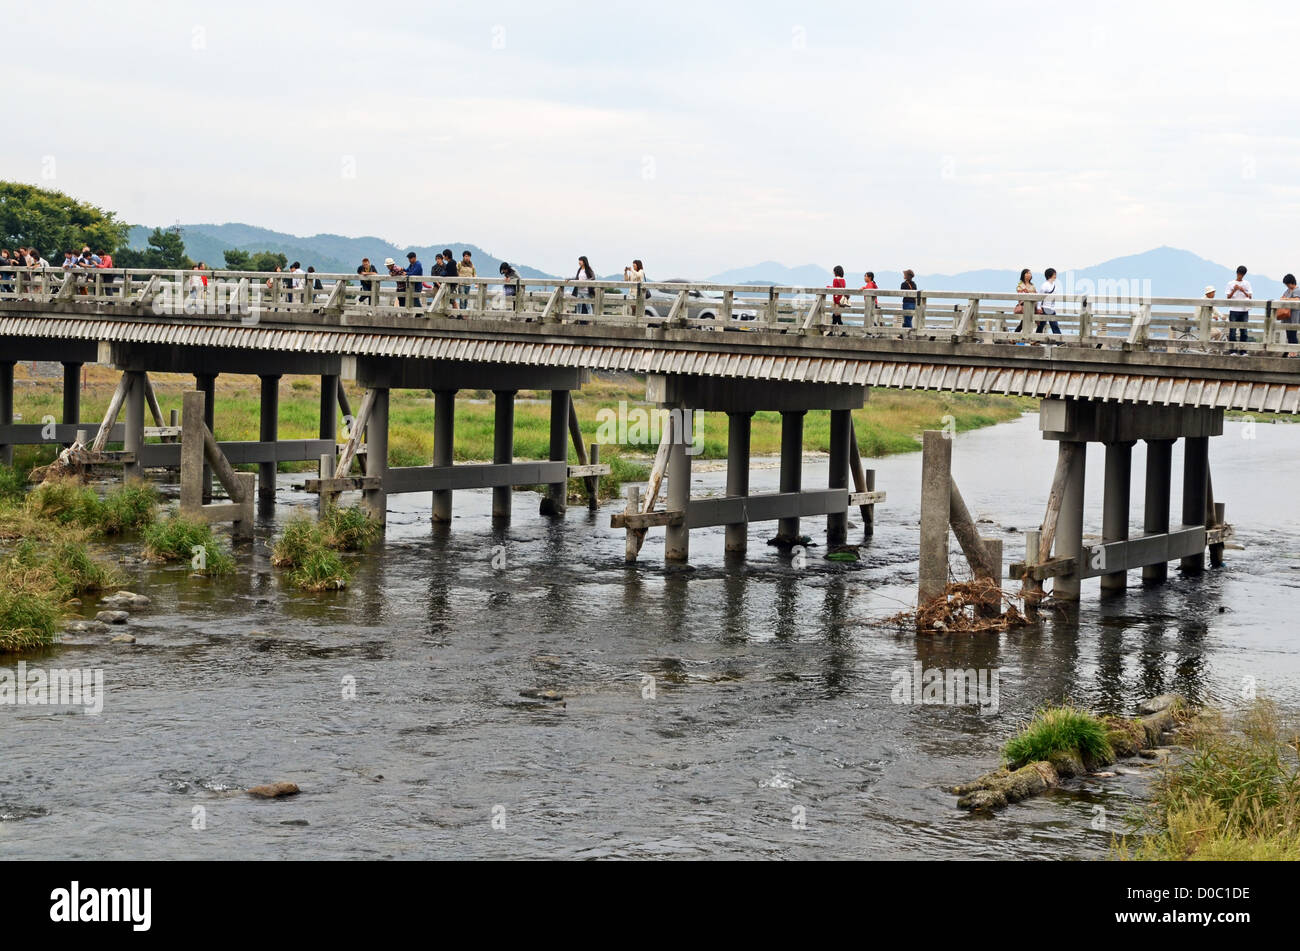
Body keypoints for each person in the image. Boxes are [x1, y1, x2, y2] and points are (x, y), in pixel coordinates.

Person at [1225, 265, 1252, 353]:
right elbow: (1228, 297)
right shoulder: (1230, 283)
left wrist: (1242, 290)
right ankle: (1232, 351)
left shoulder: (1247, 283)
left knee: (1244, 331)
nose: (1240, 276)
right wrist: (1234, 290)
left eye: (1242, 274)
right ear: (1237, 273)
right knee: (1232, 331)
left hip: (1244, 310)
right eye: (1240, 274)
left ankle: (1243, 351)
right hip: (1233, 309)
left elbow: (1250, 296)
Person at [1036, 267, 1062, 334]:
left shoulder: (1054, 285)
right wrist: (1039, 307)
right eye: (1054, 274)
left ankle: (1036, 340)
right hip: (1044, 308)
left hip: (1051, 308)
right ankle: (1059, 342)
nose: (1055, 276)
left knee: (1049, 325)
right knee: (1048, 325)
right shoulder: (1044, 285)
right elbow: (1040, 297)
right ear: (1050, 275)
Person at [1012, 268, 1038, 334]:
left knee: (1025, 322)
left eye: (1030, 273)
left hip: (1033, 306)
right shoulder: (1020, 285)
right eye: (1027, 273)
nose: (1029, 275)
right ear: (1023, 275)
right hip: (1025, 306)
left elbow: (1036, 295)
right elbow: (1021, 295)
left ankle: (1014, 336)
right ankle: (1015, 336)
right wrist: (1030, 293)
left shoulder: (1032, 285)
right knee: (1024, 322)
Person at [1279, 274, 1299, 354]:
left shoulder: (1297, 290)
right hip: (1287, 315)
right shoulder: (1287, 291)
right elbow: (1281, 298)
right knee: (1289, 334)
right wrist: (1285, 298)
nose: (1287, 285)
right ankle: (1290, 352)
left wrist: (1286, 299)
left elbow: (1297, 299)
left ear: (1291, 282)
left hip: (1294, 315)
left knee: (1293, 334)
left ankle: (1294, 352)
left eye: (1287, 284)